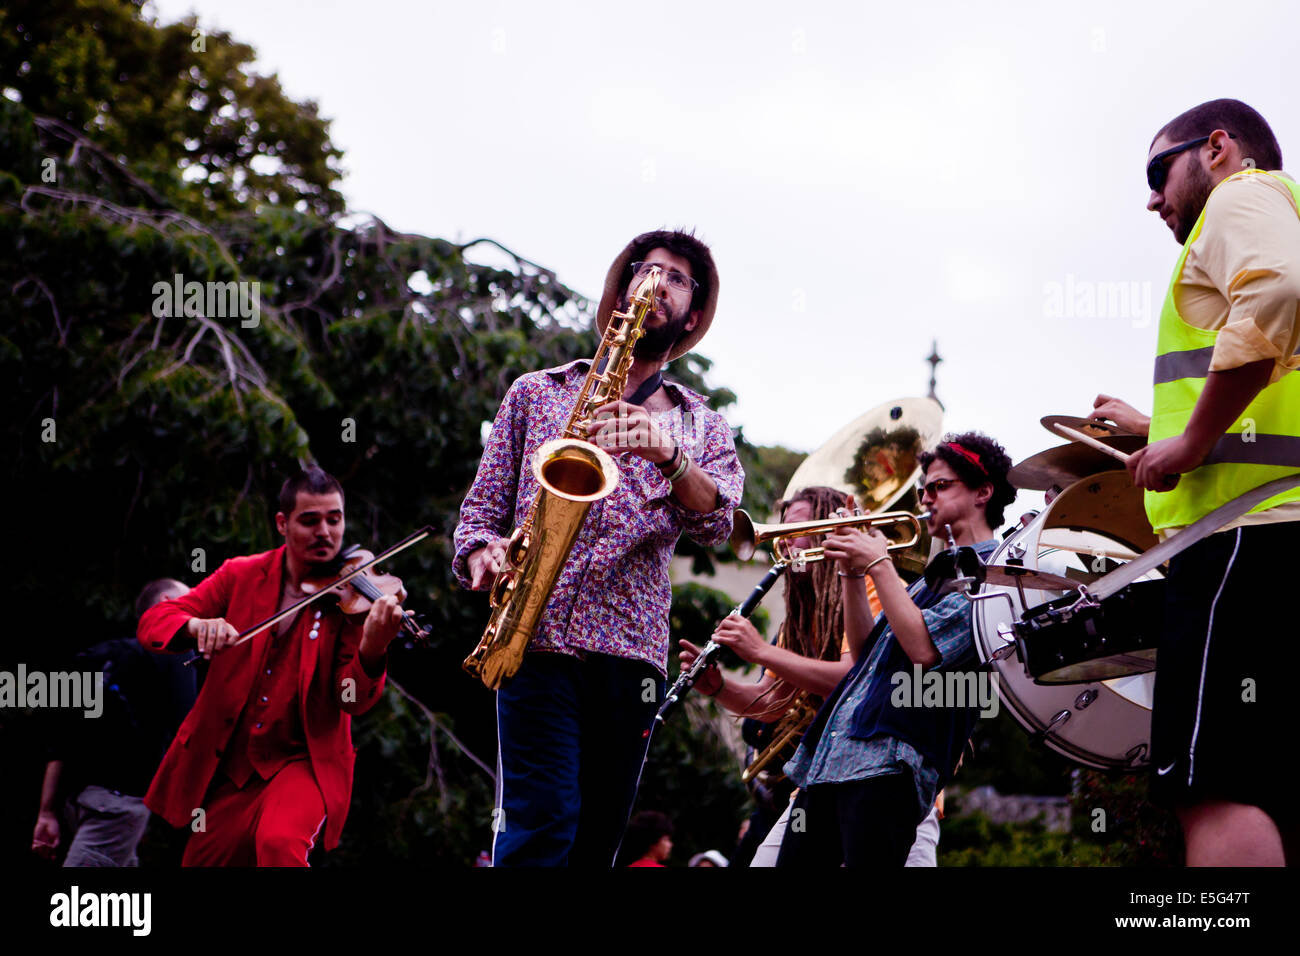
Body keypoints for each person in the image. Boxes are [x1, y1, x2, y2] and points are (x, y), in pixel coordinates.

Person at [454, 229, 744, 867]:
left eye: (674, 278)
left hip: (631, 657)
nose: (655, 283)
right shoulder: (538, 391)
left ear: (693, 313)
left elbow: (720, 523)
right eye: (646, 270)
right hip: (535, 638)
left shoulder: (700, 424)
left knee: (596, 844)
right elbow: (480, 513)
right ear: (620, 292)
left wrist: (668, 456)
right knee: (542, 826)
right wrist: (483, 554)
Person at [1090, 99, 1300, 866]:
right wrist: (1162, 430)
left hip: (1243, 547)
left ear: (1217, 149)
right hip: (1274, 534)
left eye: (1157, 171)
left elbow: (1279, 293)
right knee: (1273, 790)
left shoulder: (1245, 193)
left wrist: (1193, 441)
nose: (1151, 198)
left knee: (1213, 787)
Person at [136, 467, 407, 866]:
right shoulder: (242, 574)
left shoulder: (351, 601)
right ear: (282, 523)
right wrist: (196, 625)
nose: (325, 532)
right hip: (232, 770)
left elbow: (351, 699)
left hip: (303, 764)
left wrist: (371, 650)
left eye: (335, 519)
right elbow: (155, 620)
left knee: (280, 844)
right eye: (310, 520)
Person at [774, 433, 1017, 867]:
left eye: (940, 486)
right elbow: (867, 652)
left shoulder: (995, 574)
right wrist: (852, 574)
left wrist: (879, 563)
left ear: (984, 492)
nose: (925, 496)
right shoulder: (927, 578)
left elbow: (924, 649)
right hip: (831, 757)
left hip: (889, 763)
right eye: (924, 487)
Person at [31, 579, 197, 866]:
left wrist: (47, 812)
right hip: (118, 810)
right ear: (168, 604)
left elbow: (59, 740)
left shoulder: (99, 654)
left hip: (78, 801)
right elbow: (191, 731)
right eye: (193, 603)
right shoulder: (175, 657)